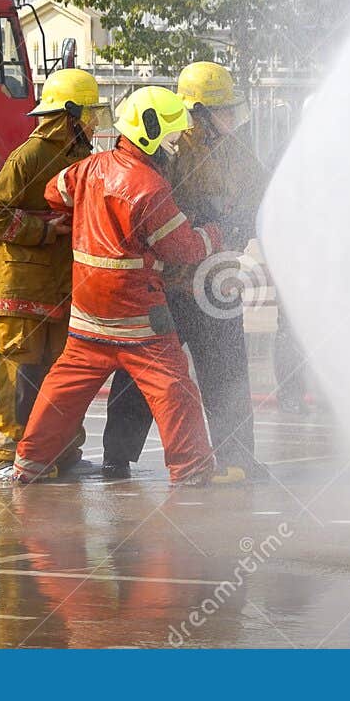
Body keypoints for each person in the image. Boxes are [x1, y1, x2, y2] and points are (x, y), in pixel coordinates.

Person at [2, 86, 244, 486]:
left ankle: (30, 463)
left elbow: (52, 192)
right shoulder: (149, 186)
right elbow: (183, 247)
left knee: (63, 389)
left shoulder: (89, 169)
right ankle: (193, 470)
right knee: (174, 390)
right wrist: (217, 233)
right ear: (149, 131)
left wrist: (78, 213)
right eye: (169, 136)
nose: (173, 145)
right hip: (137, 313)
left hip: (88, 309)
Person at [100, 61, 269, 478]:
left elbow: (260, 196)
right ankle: (116, 457)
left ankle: (236, 457)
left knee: (227, 371)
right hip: (169, 284)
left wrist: (245, 223)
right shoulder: (169, 149)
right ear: (198, 112)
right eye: (223, 110)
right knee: (142, 372)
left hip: (216, 282)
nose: (231, 118)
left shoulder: (236, 152)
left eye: (233, 109)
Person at [0, 67, 107, 475]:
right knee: (22, 372)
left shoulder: (80, 156)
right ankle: (8, 457)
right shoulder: (30, 155)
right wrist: (41, 230)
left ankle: (60, 452)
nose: (92, 121)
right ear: (69, 114)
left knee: (59, 372)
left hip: (59, 284)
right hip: (21, 284)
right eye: (87, 113)